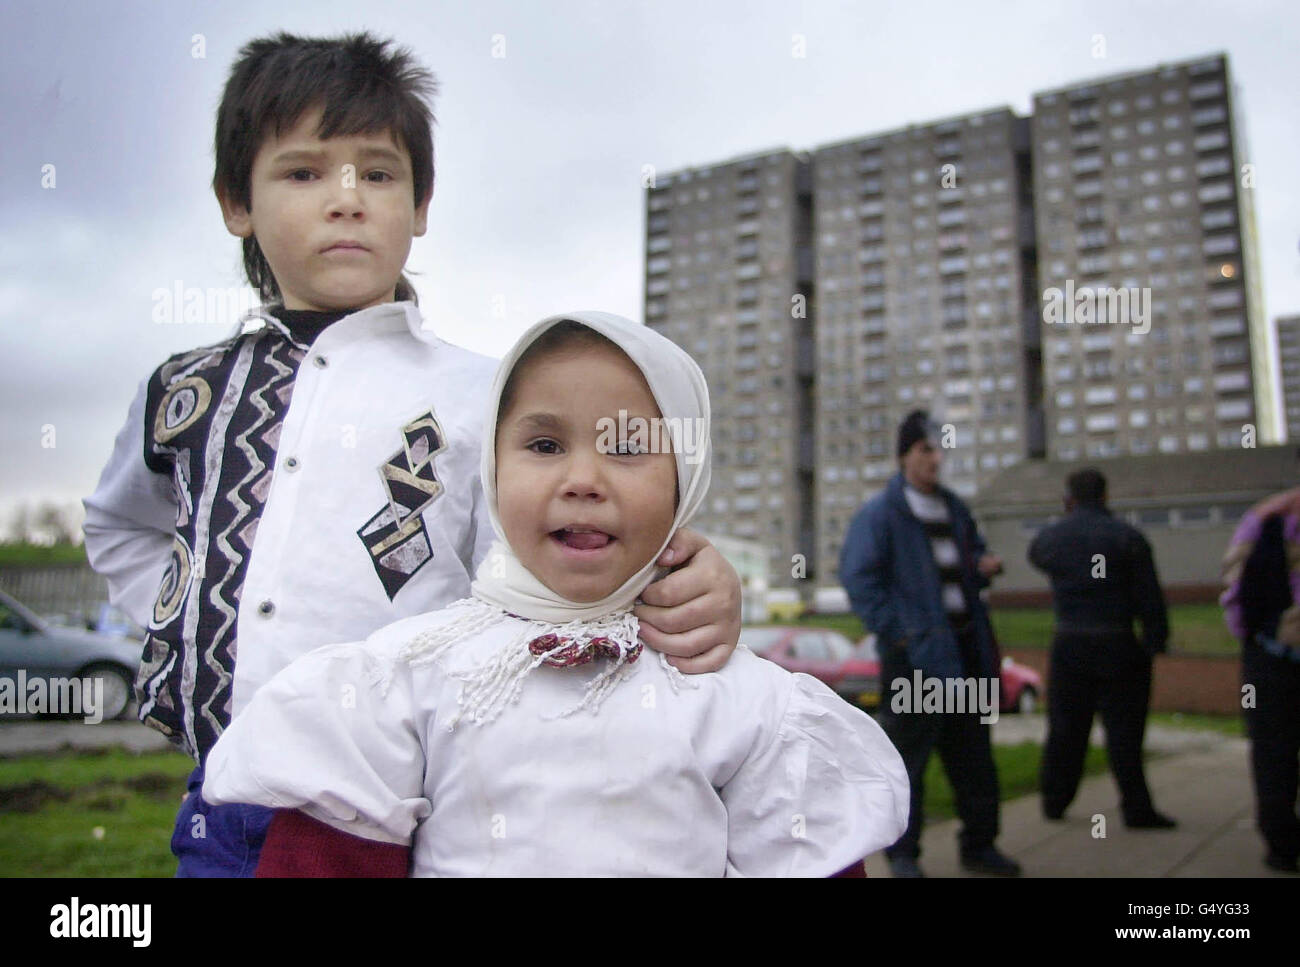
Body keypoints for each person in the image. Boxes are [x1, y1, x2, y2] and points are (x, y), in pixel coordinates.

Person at [81, 32, 742, 878]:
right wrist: (189, 627)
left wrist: (690, 581)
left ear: (421, 205)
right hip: (228, 799)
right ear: (234, 202)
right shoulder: (184, 393)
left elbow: (555, 570)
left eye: (379, 173)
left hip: (416, 802)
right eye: (304, 171)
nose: (347, 200)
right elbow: (118, 524)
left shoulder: (488, 395)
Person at [203, 312, 910, 876]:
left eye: (627, 446)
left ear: (684, 478)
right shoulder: (406, 679)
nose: (583, 478)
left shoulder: (741, 698)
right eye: (544, 445)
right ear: (492, 467)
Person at [839, 410, 1020, 878]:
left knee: (974, 757)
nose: (937, 459)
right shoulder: (881, 514)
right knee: (908, 762)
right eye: (926, 450)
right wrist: (898, 633)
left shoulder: (955, 508)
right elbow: (859, 579)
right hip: (914, 661)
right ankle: (903, 857)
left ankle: (979, 846)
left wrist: (983, 563)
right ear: (905, 456)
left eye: (940, 449)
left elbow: (971, 551)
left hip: (966, 655)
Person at [1028, 468, 1174, 829]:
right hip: (1118, 641)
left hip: (1071, 640)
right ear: (1106, 497)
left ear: (1069, 499)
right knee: (1125, 733)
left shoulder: (1053, 538)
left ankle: (1055, 799)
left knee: (1065, 729)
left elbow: (1037, 554)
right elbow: (1149, 597)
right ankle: (1136, 807)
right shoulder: (1128, 538)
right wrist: (1155, 640)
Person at [1221, 485, 1300, 873]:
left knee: (1272, 754)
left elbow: (1235, 587)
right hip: (1272, 652)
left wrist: (1251, 637)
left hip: (1272, 656)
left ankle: (1282, 846)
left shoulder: (1266, 519)